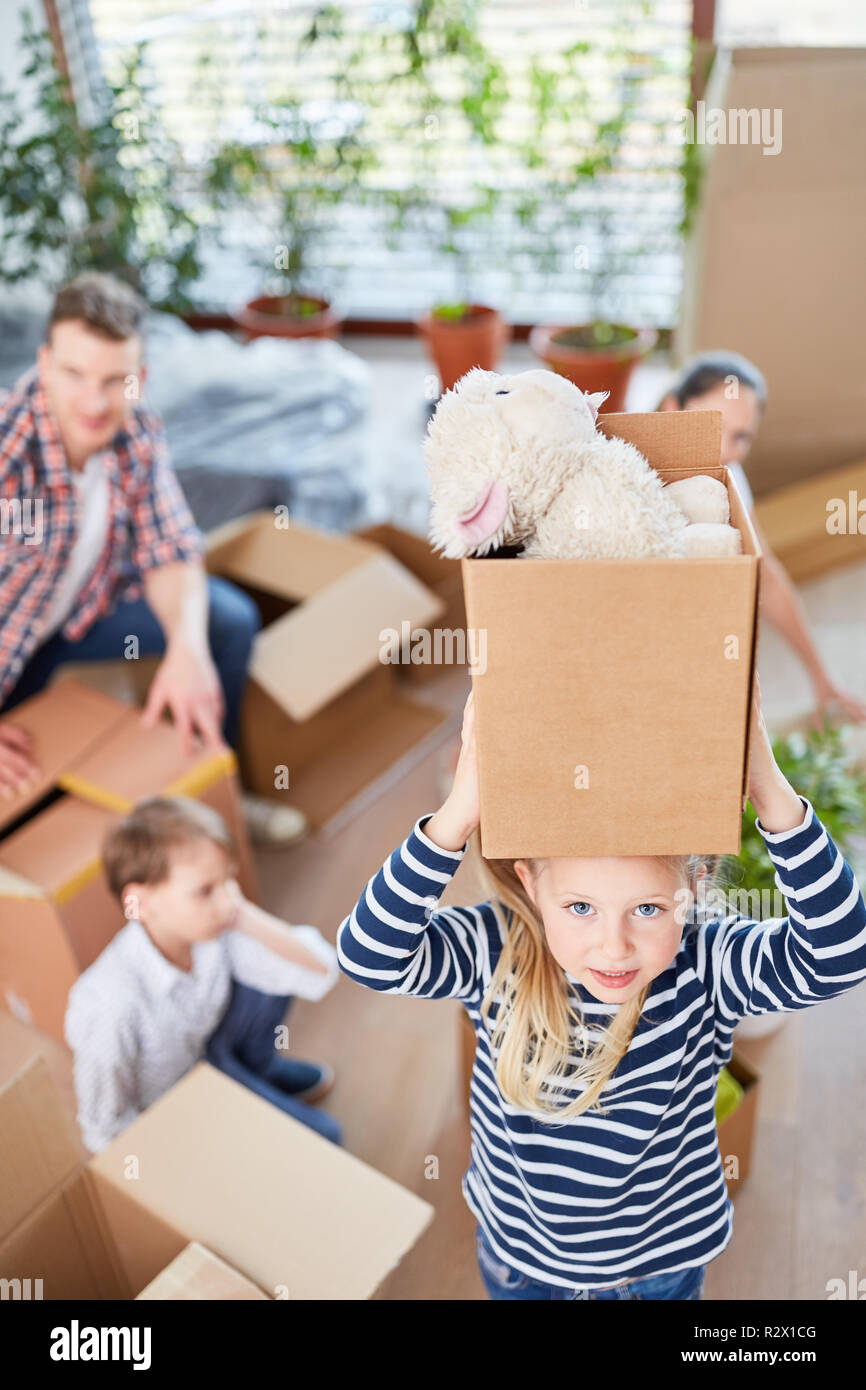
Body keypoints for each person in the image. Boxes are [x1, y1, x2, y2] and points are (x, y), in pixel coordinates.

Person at [337, 686, 866, 1300]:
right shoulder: (494, 948)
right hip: (521, 1260)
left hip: (656, 1269)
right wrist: (456, 817)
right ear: (531, 885)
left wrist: (768, 788)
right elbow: (367, 957)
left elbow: (840, 955)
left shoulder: (706, 960)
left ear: (693, 887)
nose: (613, 948)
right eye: (581, 907)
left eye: (646, 908)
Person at [0, 270, 307, 842]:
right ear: (43, 364)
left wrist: (187, 650)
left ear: (139, 378)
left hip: (82, 608)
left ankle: (222, 790)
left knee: (226, 623)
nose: (94, 402)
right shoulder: (7, 447)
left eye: (114, 380)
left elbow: (172, 548)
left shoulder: (137, 430)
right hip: (9, 650)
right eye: (74, 375)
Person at [64, 796, 342, 1153]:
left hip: (208, 1050)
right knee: (327, 1138)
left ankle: (258, 1069)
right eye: (205, 891)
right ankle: (244, 1084)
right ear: (141, 902)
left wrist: (243, 915)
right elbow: (103, 1128)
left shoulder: (214, 929)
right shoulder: (110, 1005)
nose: (227, 902)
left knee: (275, 963)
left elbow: (321, 969)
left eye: (228, 880)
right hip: (175, 1100)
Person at [658, 350, 866, 727]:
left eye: (741, 436)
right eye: (714, 425)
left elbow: (765, 575)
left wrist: (822, 680)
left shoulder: (730, 473)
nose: (725, 449)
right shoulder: (630, 468)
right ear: (673, 407)